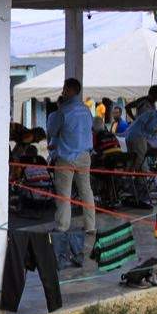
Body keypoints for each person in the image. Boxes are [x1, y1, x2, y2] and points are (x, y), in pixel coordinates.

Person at [46, 77, 97, 245]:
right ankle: (90, 226)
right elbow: (92, 128)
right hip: (84, 156)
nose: (63, 92)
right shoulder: (86, 110)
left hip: (66, 157)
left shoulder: (63, 111)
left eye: (64, 89)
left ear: (70, 90)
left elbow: (52, 131)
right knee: (86, 191)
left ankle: (62, 226)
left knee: (64, 194)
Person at [123, 85, 157, 170]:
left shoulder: (148, 102)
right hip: (139, 135)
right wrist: (134, 119)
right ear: (152, 94)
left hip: (136, 134)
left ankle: (130, 179)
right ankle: (136, 180)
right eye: (156, 97)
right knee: (139, 160)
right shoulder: (143, 101)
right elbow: (127, 107)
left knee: (133, 159)